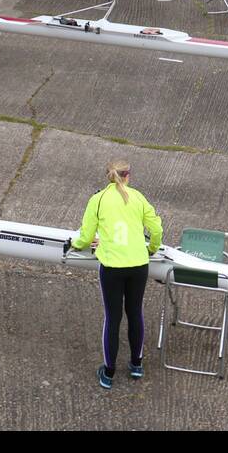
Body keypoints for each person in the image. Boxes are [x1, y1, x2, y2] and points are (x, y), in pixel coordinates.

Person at [66, 161, 163, 389]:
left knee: (113, 317)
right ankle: (136, 365)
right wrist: (151, 249)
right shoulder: (137, 197)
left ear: (108, 177)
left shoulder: (97, 199)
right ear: (128, 176)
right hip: (139, 264)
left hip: (111, 267)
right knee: (135, 312)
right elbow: (157, 229)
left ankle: (108, 373)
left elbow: (86, 235)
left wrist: (75, 244)